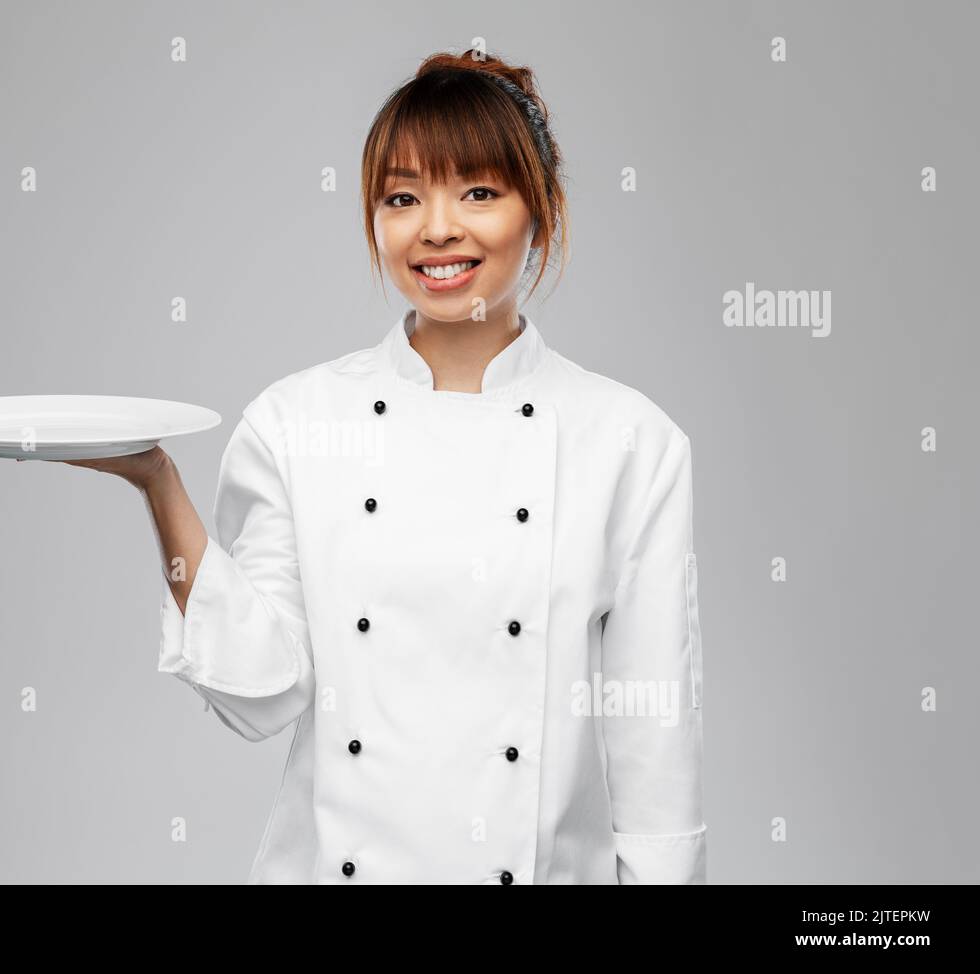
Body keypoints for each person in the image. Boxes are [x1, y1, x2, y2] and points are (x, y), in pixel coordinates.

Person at [36, 49, 705, 884]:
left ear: (541, 207)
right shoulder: (296, 422)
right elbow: (260, 692)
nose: (436, 228)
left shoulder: (631, 444)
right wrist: (157, 483)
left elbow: (656, 752)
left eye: (478, 192)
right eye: (402, 197)